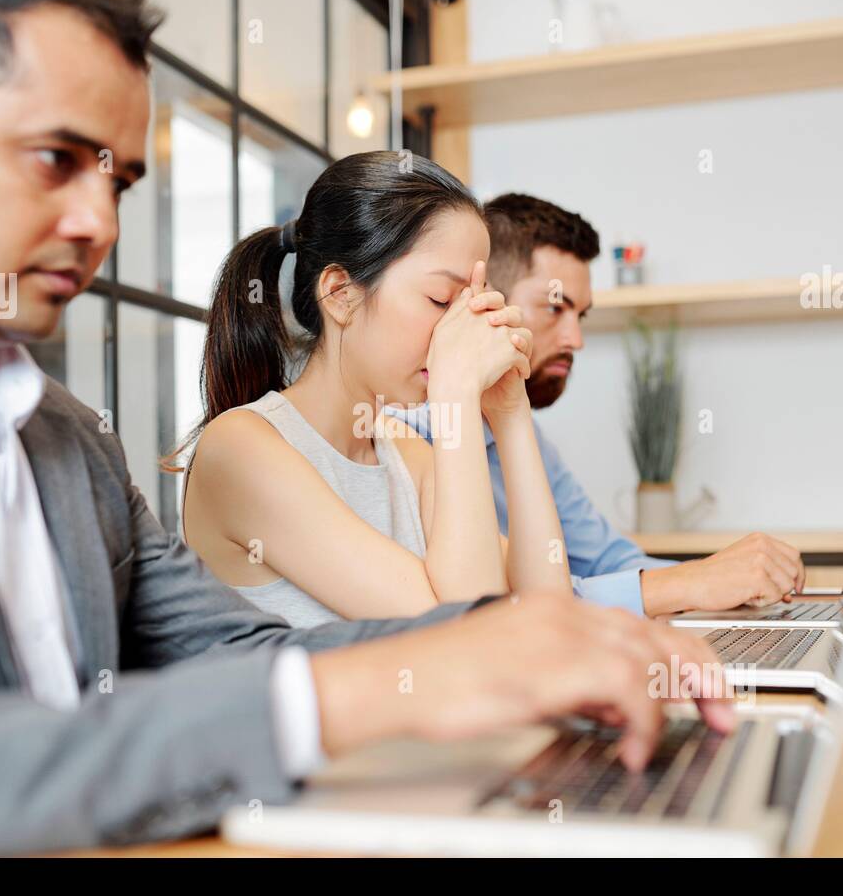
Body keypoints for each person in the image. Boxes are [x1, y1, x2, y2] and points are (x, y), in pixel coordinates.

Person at [0, 0, 730, 856]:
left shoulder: (64, 434)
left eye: (121, 181)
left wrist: (532, 643)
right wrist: (358, 692)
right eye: (58, 159)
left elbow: (243, 652)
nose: (101, 220)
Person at [177, 152, 572, 628]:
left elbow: (548, 617)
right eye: (441, 300)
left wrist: (510, 414)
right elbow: (468, 633)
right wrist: (456, 397)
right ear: (341, 294)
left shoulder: (405, 451)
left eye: (473, 303)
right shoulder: (241, 448)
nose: (465, 327)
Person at [392, 193, 807, 617]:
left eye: (582, 316)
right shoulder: (401, 434)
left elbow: (607, 560)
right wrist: (687, 585)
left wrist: (727, 576)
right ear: (483, 300)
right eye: (555, 307)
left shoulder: (527, 436)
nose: (576, 339)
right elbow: (501, 607)